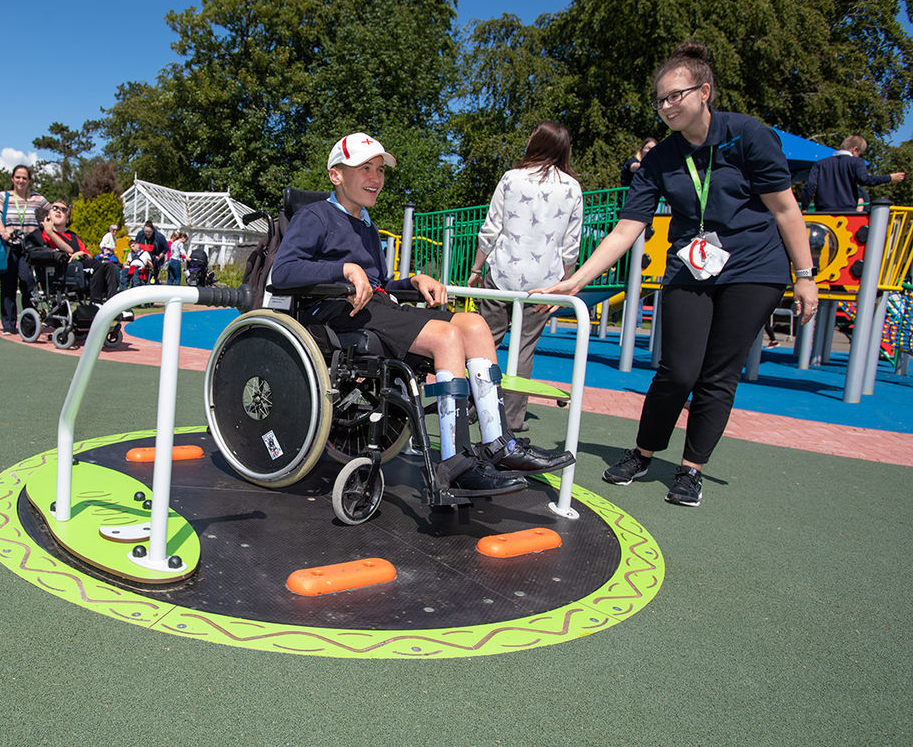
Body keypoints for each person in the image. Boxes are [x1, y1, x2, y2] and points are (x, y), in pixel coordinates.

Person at [535, 42, 819, 508]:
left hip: (754, 267)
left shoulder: (748, 135)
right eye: (660, 99)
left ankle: (692, 469)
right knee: (678, 369)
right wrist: (578, 280)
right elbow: (628, 227)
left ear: (704, 92)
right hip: (692, 265)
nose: (667, 106)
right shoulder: (661, 158)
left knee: (717, 373)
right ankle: (643, 452)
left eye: (676, 96)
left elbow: (786, 208)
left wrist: (804, 275)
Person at [270, 132, 575, 492]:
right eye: (365, 168)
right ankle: (454, 465)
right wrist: (343, 270)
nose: (376, 178)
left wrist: (413, 282)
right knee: (446, 336)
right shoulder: (316, 216)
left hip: (375, 307)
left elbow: (378, 284)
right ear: (336, 175)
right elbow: (284, 272)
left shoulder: (365, 223)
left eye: (380, 170)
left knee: (475, 325)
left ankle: (498, 444)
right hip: (335, 311)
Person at [467, 121, 584, 433]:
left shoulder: (512, 179)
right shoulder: (572, 188)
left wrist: (477, 268)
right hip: (544, 281)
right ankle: (514, 418)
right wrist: (566, 282)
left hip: (503, 271)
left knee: (486, 339)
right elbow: (571, 245)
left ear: (536, 144)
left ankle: (475, 404)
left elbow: (492, 227)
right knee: (524, 349)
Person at [0, 165, 49, 333]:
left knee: (29, 284)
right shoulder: (4, 196)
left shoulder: (37, 199)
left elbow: (52, 211)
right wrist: (3, 231)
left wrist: (47, 226)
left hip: (29, 248)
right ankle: (8, 325)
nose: (21, 181)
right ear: (12, 179)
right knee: (8, 286)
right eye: (18, 177)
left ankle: (28, 324)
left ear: (29, 180)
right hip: (9, 247)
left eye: (24, 178)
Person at [31, 201, 119, 303]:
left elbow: (88, 255)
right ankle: (96, 302)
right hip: (61, 273)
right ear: (48, 215)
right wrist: (50, 231)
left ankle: (112, 304)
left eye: (63, 210)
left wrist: (82, 253)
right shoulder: (43, 234)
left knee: (110, 267)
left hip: (81, 269)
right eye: (55, 208)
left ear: (67, 219)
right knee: (96, 266)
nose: (59, 211)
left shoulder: (73, 236)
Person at [800, 135, 905, 212]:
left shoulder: (820, 164)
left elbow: (809, 186)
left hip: (823, 212)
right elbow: (865, 180)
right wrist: (889, 177)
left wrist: (805, 207)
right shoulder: (857, 162)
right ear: (855, 149)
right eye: (859, 153)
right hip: (847, 212)